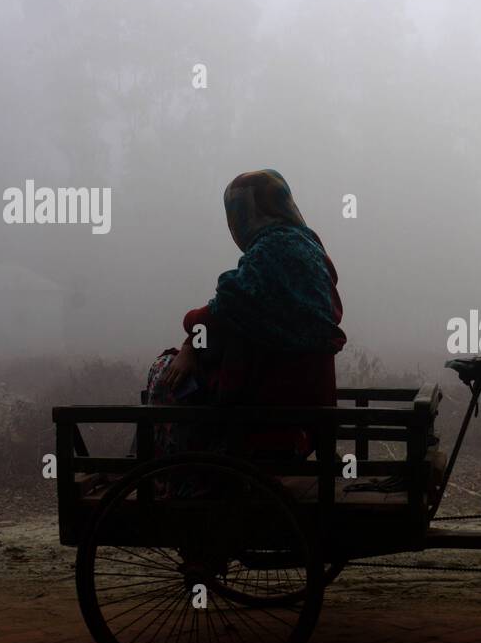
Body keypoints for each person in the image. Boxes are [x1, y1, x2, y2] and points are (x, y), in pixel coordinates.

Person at [143, 169, 346, 462]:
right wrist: (192, 344)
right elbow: (239, 315)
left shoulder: (269, 253)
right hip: (308, 407)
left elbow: (218, 315)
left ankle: (174, 473)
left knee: (165, 372)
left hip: (263, 404)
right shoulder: (311, 250)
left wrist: (190, 336)